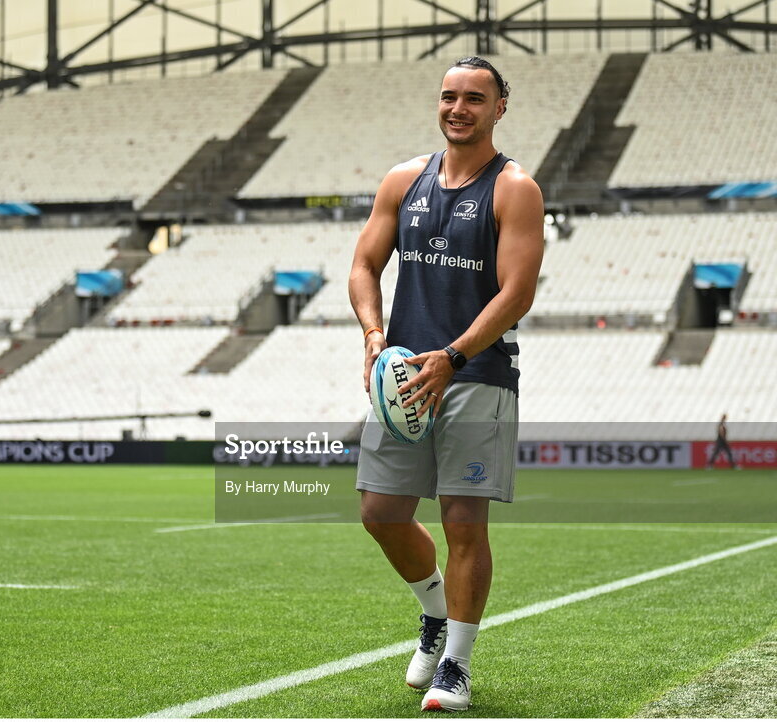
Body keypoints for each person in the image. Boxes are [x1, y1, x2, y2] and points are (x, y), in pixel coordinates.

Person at [348, 57, 544, 712]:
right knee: (380, 513)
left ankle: (455, 665)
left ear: (499, 108)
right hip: (404, 372)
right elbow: (363, 265)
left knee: (464, 521)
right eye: (449, 97)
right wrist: (376, 337)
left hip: (477, 371)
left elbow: (518, 293)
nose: (458, 108)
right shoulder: (404, 179)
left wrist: (454, 357)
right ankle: (434, 611)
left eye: (474, 99)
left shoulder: (516, 188)